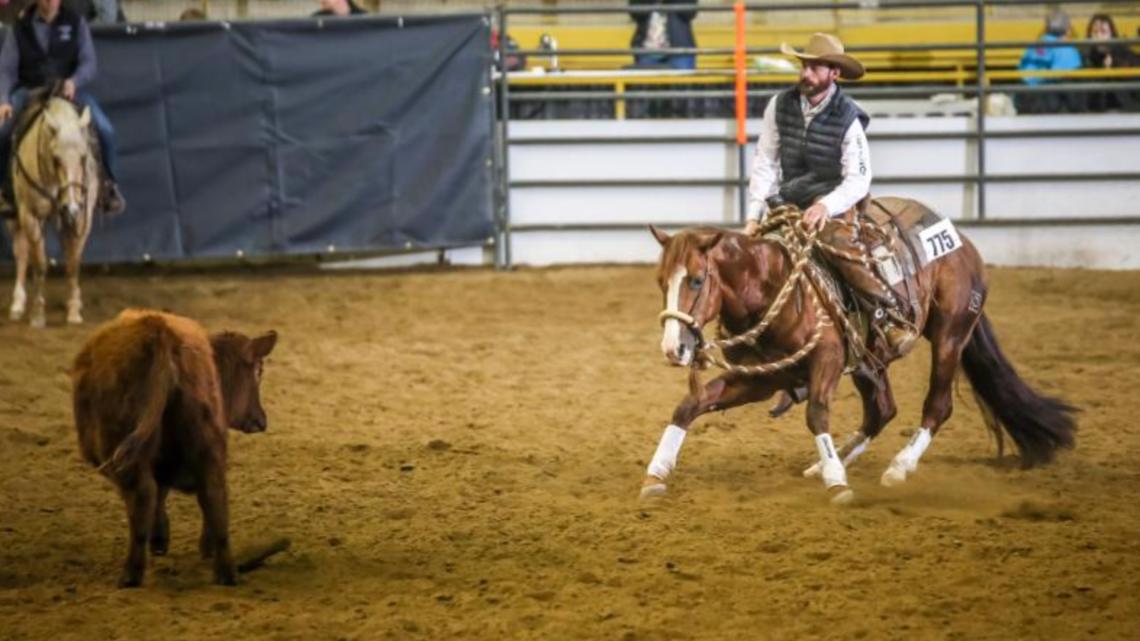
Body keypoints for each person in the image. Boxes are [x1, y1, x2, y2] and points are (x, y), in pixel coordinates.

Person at [743, 33, 915, 415]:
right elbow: (765, 161)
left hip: (835, 205)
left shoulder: (848, 118)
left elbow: (858, 179)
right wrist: (754, 216)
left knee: (844, 252)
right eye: (803, 65)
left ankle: (888, 319)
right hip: (788, 202)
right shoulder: (780, 105)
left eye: (814, 66)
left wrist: (825, 205)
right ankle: (784, 357)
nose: (806, 73)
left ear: (833, 73)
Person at [0, 0, 124, 217]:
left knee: (105, 130)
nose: (50, 1)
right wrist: (3, 100)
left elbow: (89, 62)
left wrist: (74, 81)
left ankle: (108, 187)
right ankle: (4, 191)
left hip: (67, 91)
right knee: (2, 131)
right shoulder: (19, 26)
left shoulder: (76, 22)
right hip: (29, 90)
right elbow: (6, 69)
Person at [1016, 9, 1084, 114]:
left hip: (1023, 97)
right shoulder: (1066, 48)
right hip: (1048, 103)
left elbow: (1022, 69)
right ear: (1067, 28)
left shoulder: (1035, 44)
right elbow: (1063, 75)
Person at [1083, 13, 1138, 112]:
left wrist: (1115, 65)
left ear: (1111, 34)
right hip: (1096, 114)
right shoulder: (1086, 58)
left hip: (1127, 112)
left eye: (1103, 32)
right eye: (1095, 32)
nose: (1099, 36)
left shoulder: (1125, 54)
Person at [629, 0, 697, 70]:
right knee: (644, 78)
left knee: (682, 77)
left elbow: (690, 13)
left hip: (680, 50)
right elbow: (635, 14)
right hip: (647, 51)